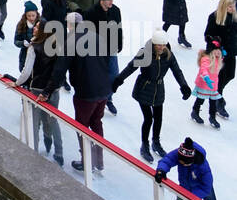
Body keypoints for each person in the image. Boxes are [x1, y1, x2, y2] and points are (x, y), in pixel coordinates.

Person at [113, 30, 191, 162]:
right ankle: (145, 144)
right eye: (158, 45)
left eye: (163, 45)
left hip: (158, 89)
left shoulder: (168, 55)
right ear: (153, 44)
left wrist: (184, 86)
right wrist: (118, 80)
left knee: (159, 117)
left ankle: (156, 142)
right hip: (144, 88)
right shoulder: (145, 53)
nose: (161, 47)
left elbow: (177, 71)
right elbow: (131, 67)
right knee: (148, 118)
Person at [13, 19, 67, 165]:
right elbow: (59, 71)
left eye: (37, 27)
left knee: (34, 123)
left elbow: (27, 71)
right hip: (53, 90)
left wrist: (16, 83)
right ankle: (59, 152)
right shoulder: (57, 46)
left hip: (37, 89)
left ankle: (34, 153)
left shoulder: (34, 46)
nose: (34, 28)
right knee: (53, 120)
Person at [67, 13, 112, 176]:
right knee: (97, 122)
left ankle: (87, 160)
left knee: (82, 126)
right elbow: (108, 60)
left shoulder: (71, 41)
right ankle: (98, 161)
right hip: (103, 90)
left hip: (86, 93)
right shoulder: (97, 37)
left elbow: (62, 66)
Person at [83, 0, 122, 116]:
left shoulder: (116, 11)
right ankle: (97, 99)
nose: (111, 2)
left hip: (111, 48)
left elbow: (119, 28)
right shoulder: (91, 13)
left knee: (113, 74)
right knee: (98, 75)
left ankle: (107, 98)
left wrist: (120, 42)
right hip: (97, 50)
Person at [191, 46, 224, 129]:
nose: (218, 52)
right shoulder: (206, 59)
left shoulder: (218, 60)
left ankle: (212, 118)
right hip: (204, 84)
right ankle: (195, 112)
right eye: (215, 50)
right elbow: (203, 69)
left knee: (213, 103)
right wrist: (206, 78)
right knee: (200, 100)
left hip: (213, 86)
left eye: (219, 50)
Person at [14, 1, 40, 69]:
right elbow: (16, 41)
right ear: (25, 15)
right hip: (25, 55)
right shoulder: (21, 24)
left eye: (33, 15)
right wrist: (23, 43)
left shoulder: (41, 24)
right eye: (29, 16)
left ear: (36, 14)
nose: (31, 18)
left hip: (38, 56)